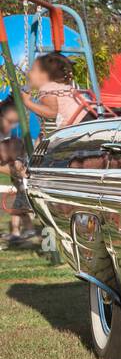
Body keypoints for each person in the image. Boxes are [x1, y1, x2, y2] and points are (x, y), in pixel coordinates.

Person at [0, 97, 39, 249]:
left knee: (21, 193)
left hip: (21, 162)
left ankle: (22, 230)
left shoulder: (18, 124)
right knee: (19, 193)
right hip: (17, 162)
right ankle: (22, 230)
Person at [20, 52, 87, 129]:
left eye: (33, 70)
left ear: (43, 75)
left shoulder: (46, 89)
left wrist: (27, 103)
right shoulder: (62, 86)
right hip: (89, 115)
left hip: (80, 122)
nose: (28, 73)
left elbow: (52, 112)